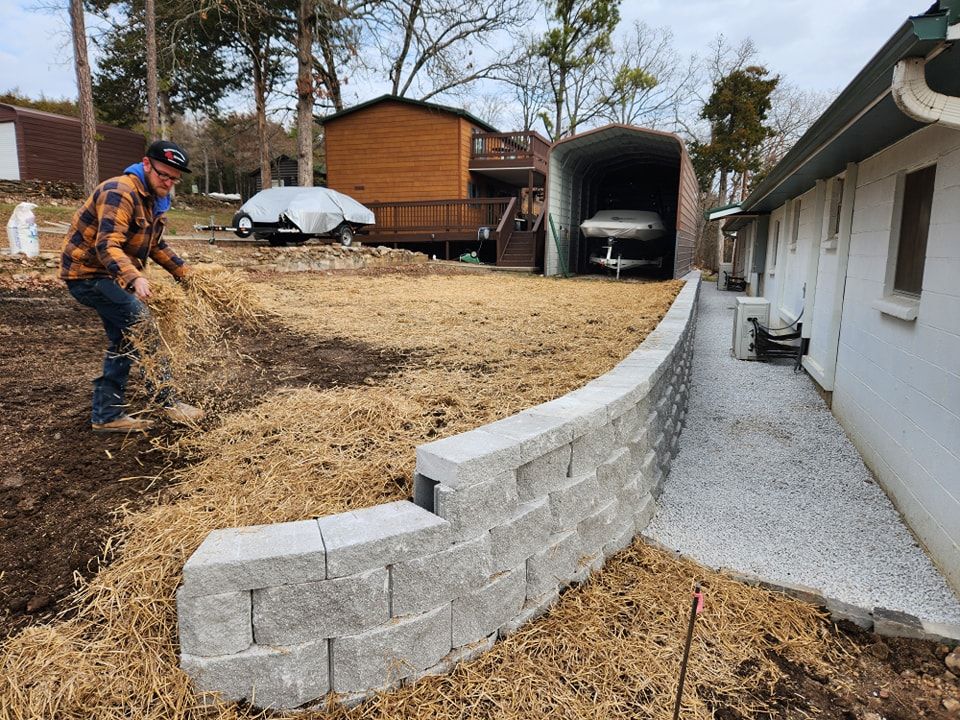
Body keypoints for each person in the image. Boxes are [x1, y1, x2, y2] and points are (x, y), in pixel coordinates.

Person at [60, 140, 204, 433]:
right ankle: (166, 401)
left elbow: (155, 245)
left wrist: (188, 275)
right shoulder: (121, 191)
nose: (168, 182)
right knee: (144, 326)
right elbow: (107, 244)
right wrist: (134, 277)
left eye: (175, 179)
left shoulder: (153, 198)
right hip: (89, 274)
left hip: (110, 275)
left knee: (125, 340)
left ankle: (107, 414)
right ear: (146, 164)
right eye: (164, 175)